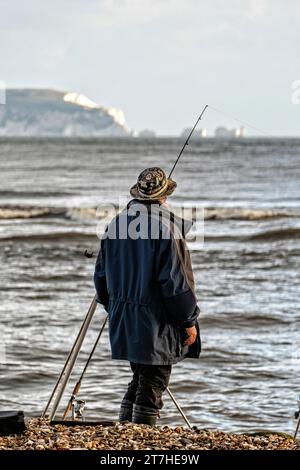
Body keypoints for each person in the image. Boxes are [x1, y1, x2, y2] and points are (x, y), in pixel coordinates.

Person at [94, 167, 201, 425]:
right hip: (155, 319)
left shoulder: (115, 223)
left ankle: (126, 430)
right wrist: (188, 321)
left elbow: (100, 277)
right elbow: (175, 284)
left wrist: (114, 308)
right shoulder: (167, 229)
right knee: (154, 378)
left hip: (124, 315)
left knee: (141, 374)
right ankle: (141, 434)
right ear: (163, 197)